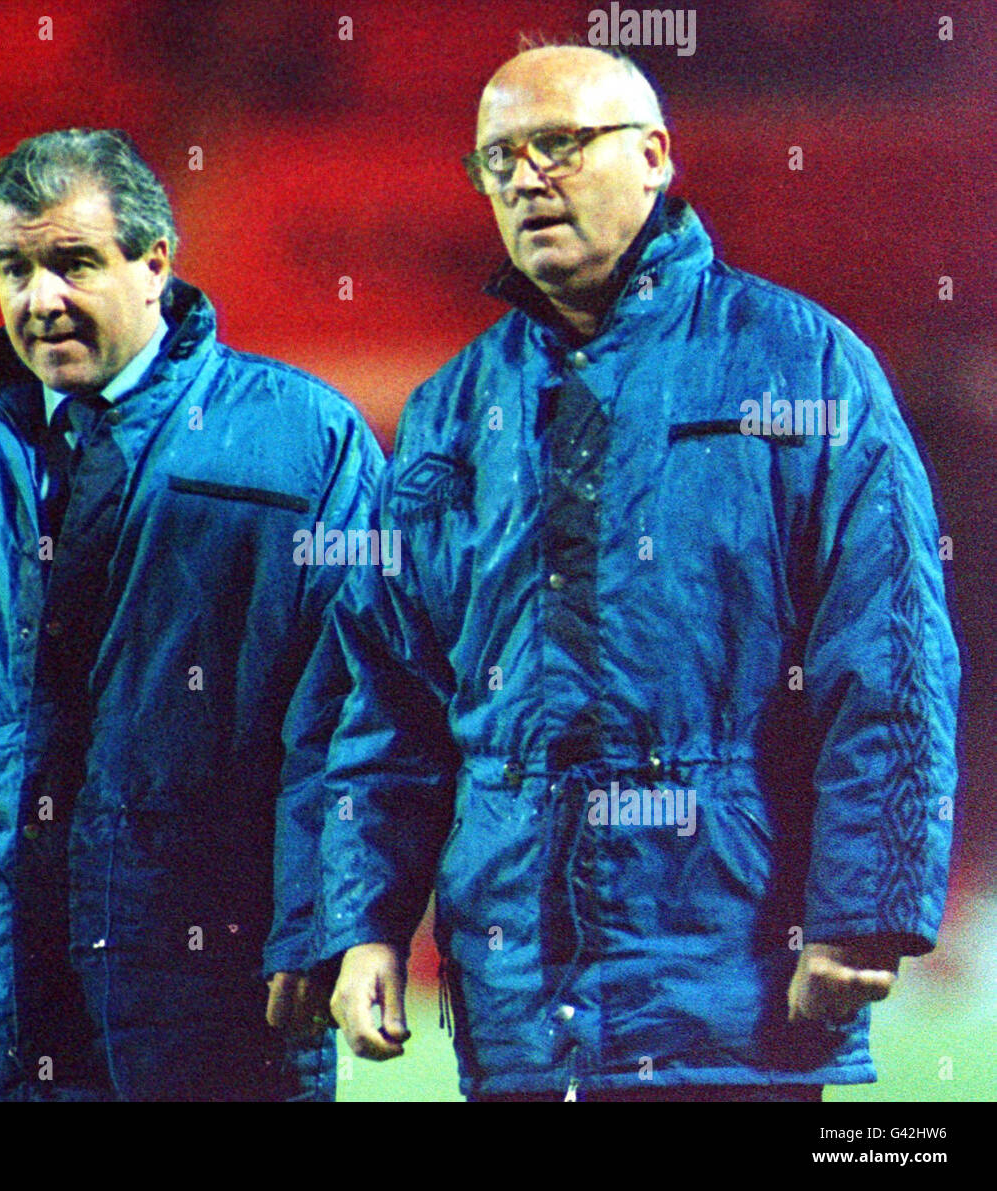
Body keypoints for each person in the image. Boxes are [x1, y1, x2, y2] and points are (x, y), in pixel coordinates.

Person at [307, 45, 959, 1101]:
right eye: (497, 159)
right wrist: (364, 926)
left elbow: (888, 658)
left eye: (558, 145)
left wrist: (862, 909)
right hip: (513, 997)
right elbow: (387, 702)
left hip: (733, 980)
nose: (524, 178)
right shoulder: (447, 413)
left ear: (655, 155)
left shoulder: (802, 365)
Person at [0, 128, 382, 1101]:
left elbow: (347, 723)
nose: (39, 299)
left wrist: (326, 925)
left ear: (155, 265)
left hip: (209, 978)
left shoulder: (303, 444)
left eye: (72, 263)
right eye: (12, 268)